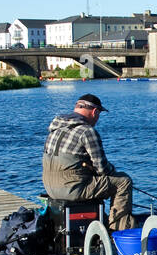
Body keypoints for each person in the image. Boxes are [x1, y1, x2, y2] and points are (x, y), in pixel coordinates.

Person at [42, 93, 133, 231]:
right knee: (123, 181)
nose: (97, 119)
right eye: (99, 114)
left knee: (97, 181)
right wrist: (114, 172)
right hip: (71, 189)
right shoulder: (87, 131)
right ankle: (117, 230)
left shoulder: (55, 128)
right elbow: (103, 169)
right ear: (95, 112)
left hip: (50, 187)